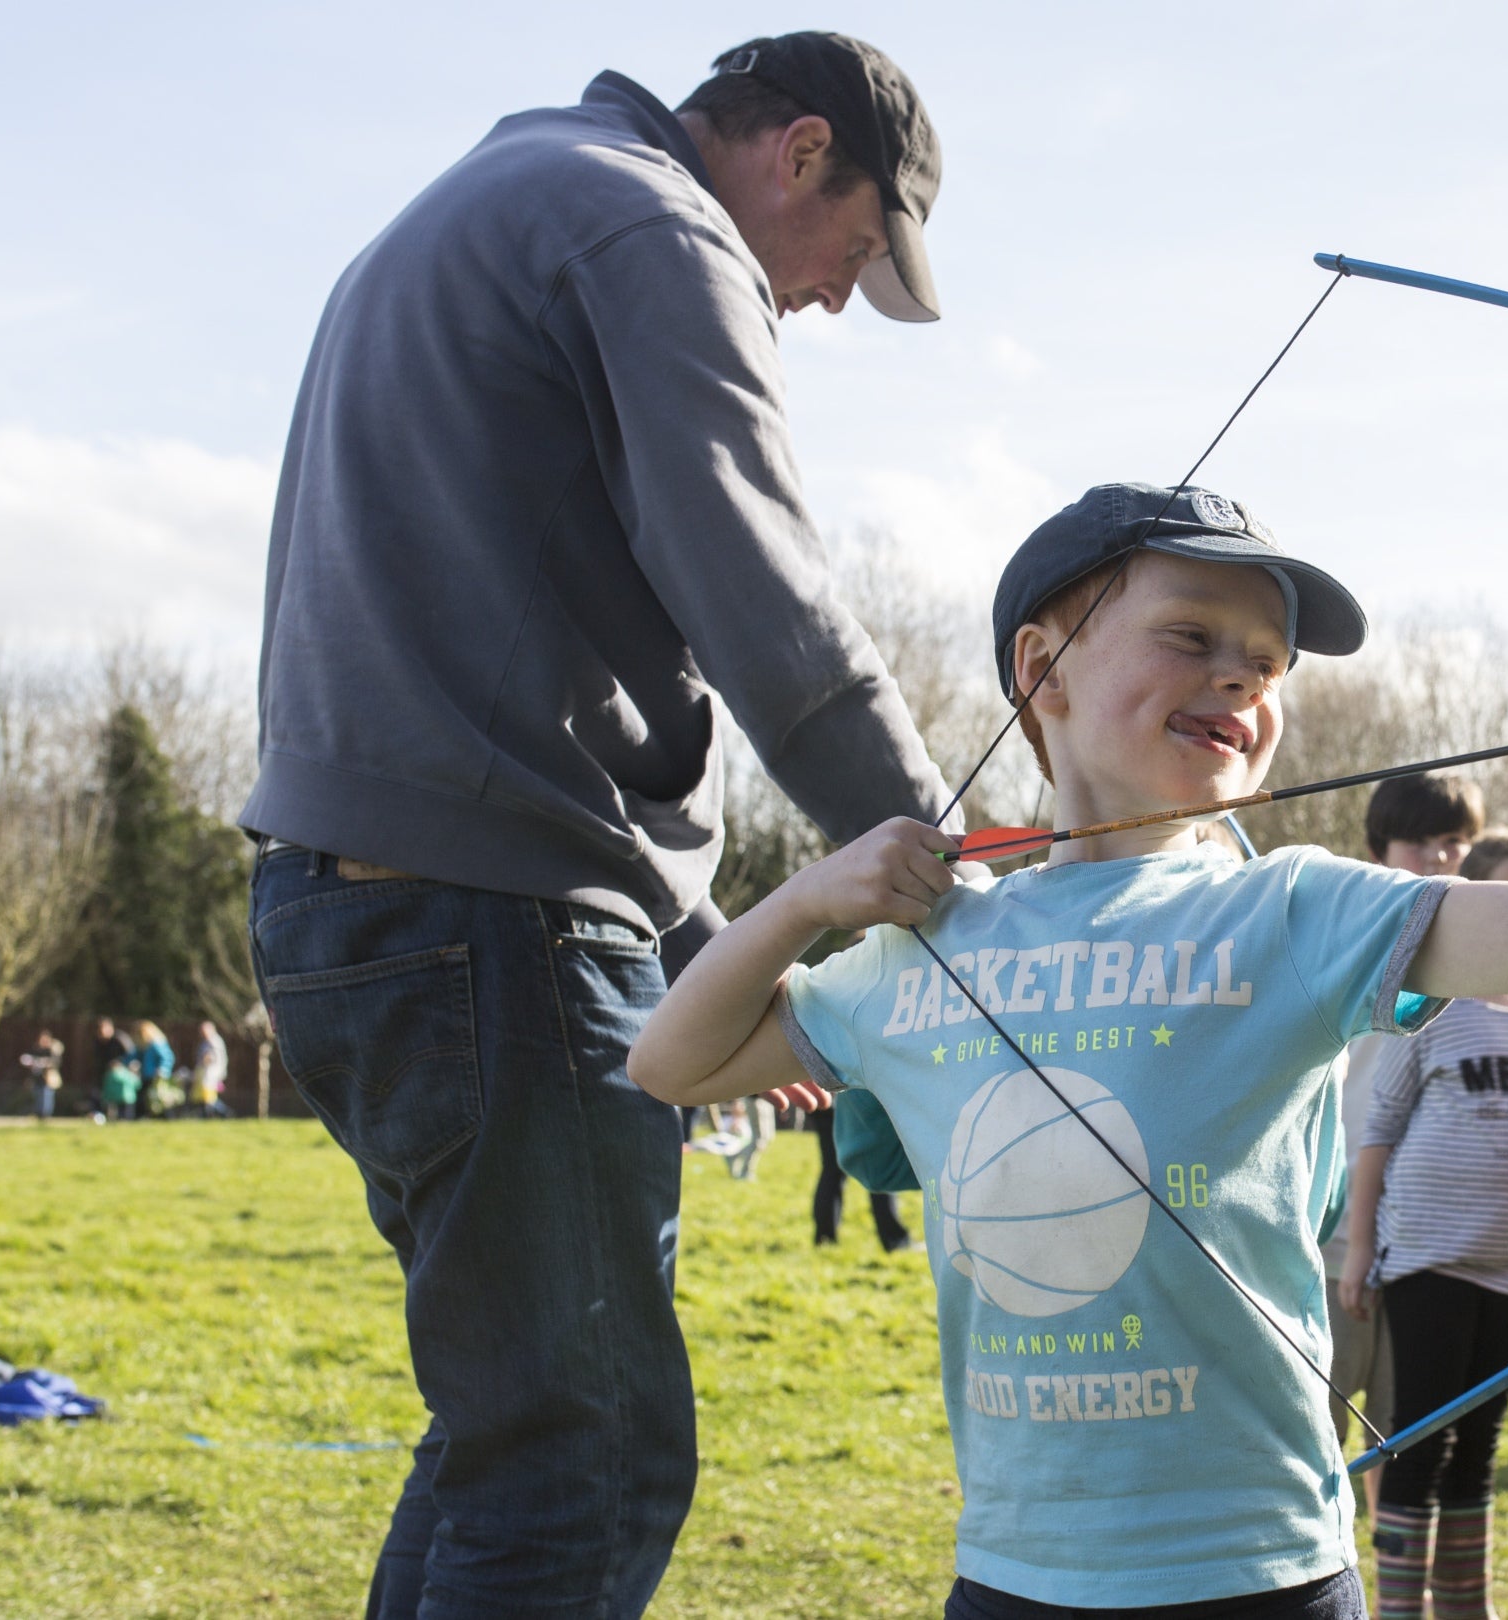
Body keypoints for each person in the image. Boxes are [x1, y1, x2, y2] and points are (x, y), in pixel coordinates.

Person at [627, 479, 1508, 1618]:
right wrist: (803, 903)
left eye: (1267, 663)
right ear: (1040, 669)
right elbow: (669, 1062)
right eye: (1192, 636)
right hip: (1016, 1572)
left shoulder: (1296, 910)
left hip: (1261, 1567)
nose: (1241, 681)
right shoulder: (926, 948)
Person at [236, 32, 954, 1616]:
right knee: (587, 1462)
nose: (834, 300)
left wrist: (709, 952)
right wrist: (937, 865)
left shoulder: (500, 192)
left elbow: (512, 635)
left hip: (354, 904)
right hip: (492, 921)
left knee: (507, 1440)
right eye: (855, 255)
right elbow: (766, 596)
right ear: (800, 152)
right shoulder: (652, 229)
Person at [1339, 828, 1508, 1620]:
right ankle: (1402, 1607)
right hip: (1430, 1258)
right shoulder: (1438, 1006)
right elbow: (1379, 1130)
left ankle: (1466, 1605)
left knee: (1481, 1443)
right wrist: (1359, 1248)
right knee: (1421, 1439)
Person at [1329, 771, 1485, 1510]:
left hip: (1426, 1238)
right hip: (1335, 1230)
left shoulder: (1487, 956)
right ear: (1378, 850)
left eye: (1454, 842)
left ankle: (1392, 1568)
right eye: (1418, 843)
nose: (1439, 858)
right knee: (1322, 1419)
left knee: (1404, 1432)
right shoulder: (1344, 941)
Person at [809, 1097, 916, 1251]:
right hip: (852, 1099)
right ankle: (894, 1239)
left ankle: (825, 1238)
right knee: (879, 1165)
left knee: (831, 1169)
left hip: (824, 1097)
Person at [134, 1021, 179, 1119]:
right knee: (148, 1098)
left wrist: (163, 1069)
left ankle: (168, 1117)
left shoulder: (157, 1044)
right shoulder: (145, 1046)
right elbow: (135, 1056)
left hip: (157, 1076)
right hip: (147, 1075)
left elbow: (168, 1057)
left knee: (160, 1098)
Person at [20, 1031, 66, 1124]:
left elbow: (56, 1062)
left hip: (48, 1077)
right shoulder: (36, 1049)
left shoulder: (52, 1050)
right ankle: (38, 1114)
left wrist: (45, 1062)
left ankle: (45, 1115)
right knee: (37, 1095)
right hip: (37, 1077)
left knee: (46, 1096)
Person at [189, 1021, 232, 1119]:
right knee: (206, 1096)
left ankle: (224, 1113)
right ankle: (209, 1114)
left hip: (212, 1072)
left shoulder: (215, 1041)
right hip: (207, 1072)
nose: (203, 1033)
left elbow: (212, 1057)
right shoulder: (207, 1041)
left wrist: (206, 1059)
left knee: (209, 1096)